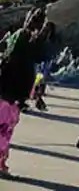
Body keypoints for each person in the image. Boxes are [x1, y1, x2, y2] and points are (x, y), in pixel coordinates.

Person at [0, 9, 48, 177]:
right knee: (3, 130)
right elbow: (19, 60)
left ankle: (1, 164)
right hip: (8, 94)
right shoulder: (22, 37)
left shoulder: (22, 37)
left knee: (5, 130)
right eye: (36, 21)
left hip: (12, 94)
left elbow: (38, 57)